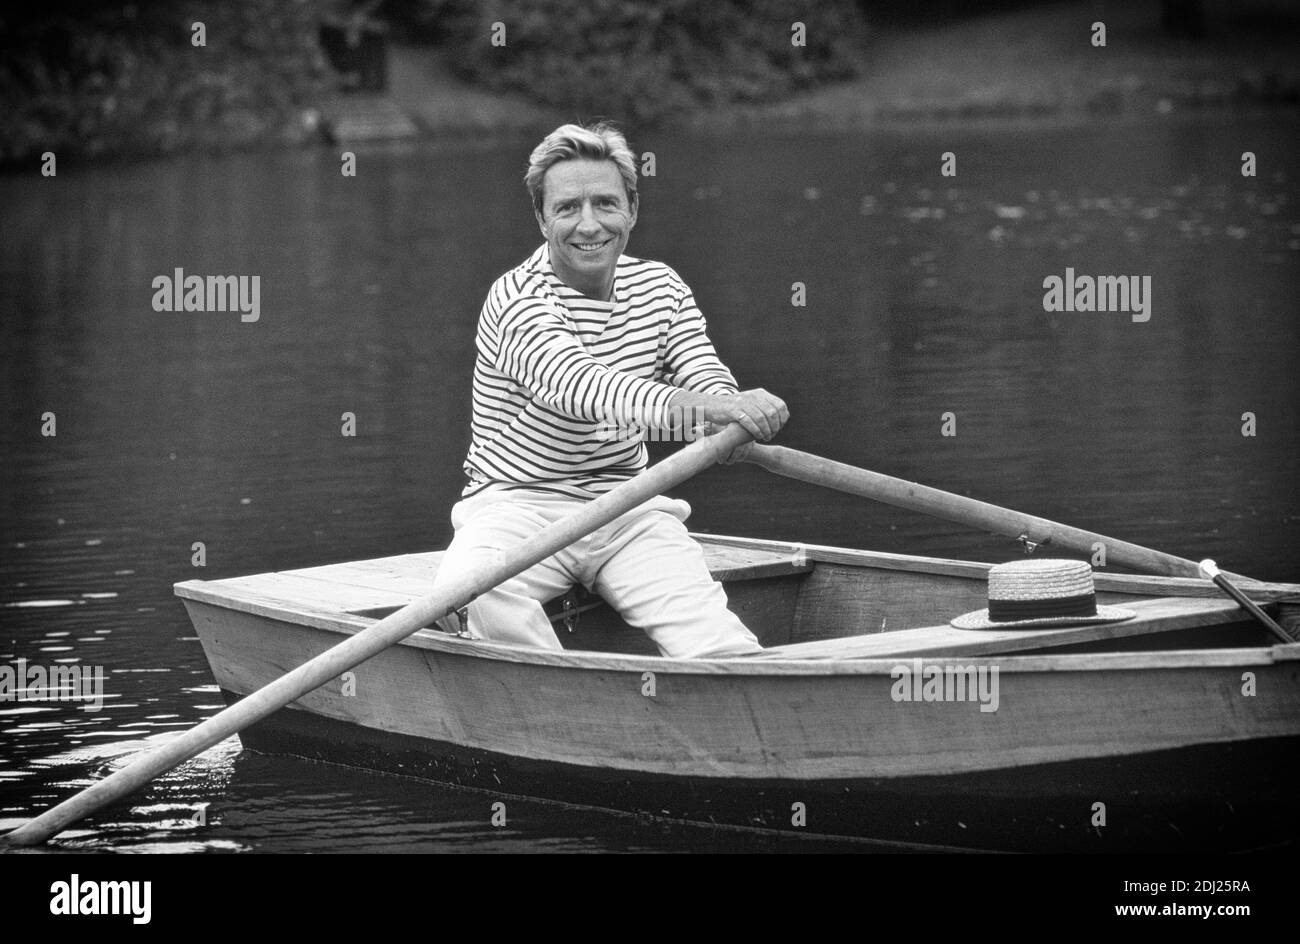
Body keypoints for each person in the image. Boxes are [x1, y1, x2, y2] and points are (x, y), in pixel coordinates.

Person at [432, 122, 788, 658]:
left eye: (605, 203)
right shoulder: (516, 298)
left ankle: (752, 702)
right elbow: (588, 389)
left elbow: (704, 375)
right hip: (515, 509)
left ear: (632, 210)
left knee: (716, 640)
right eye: (568, 207)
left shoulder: (662, 287)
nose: (589, 225)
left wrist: (731, 417)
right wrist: (716, 413)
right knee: (470, 592)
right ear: (541, 218)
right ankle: (557, 712)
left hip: (627, 505)